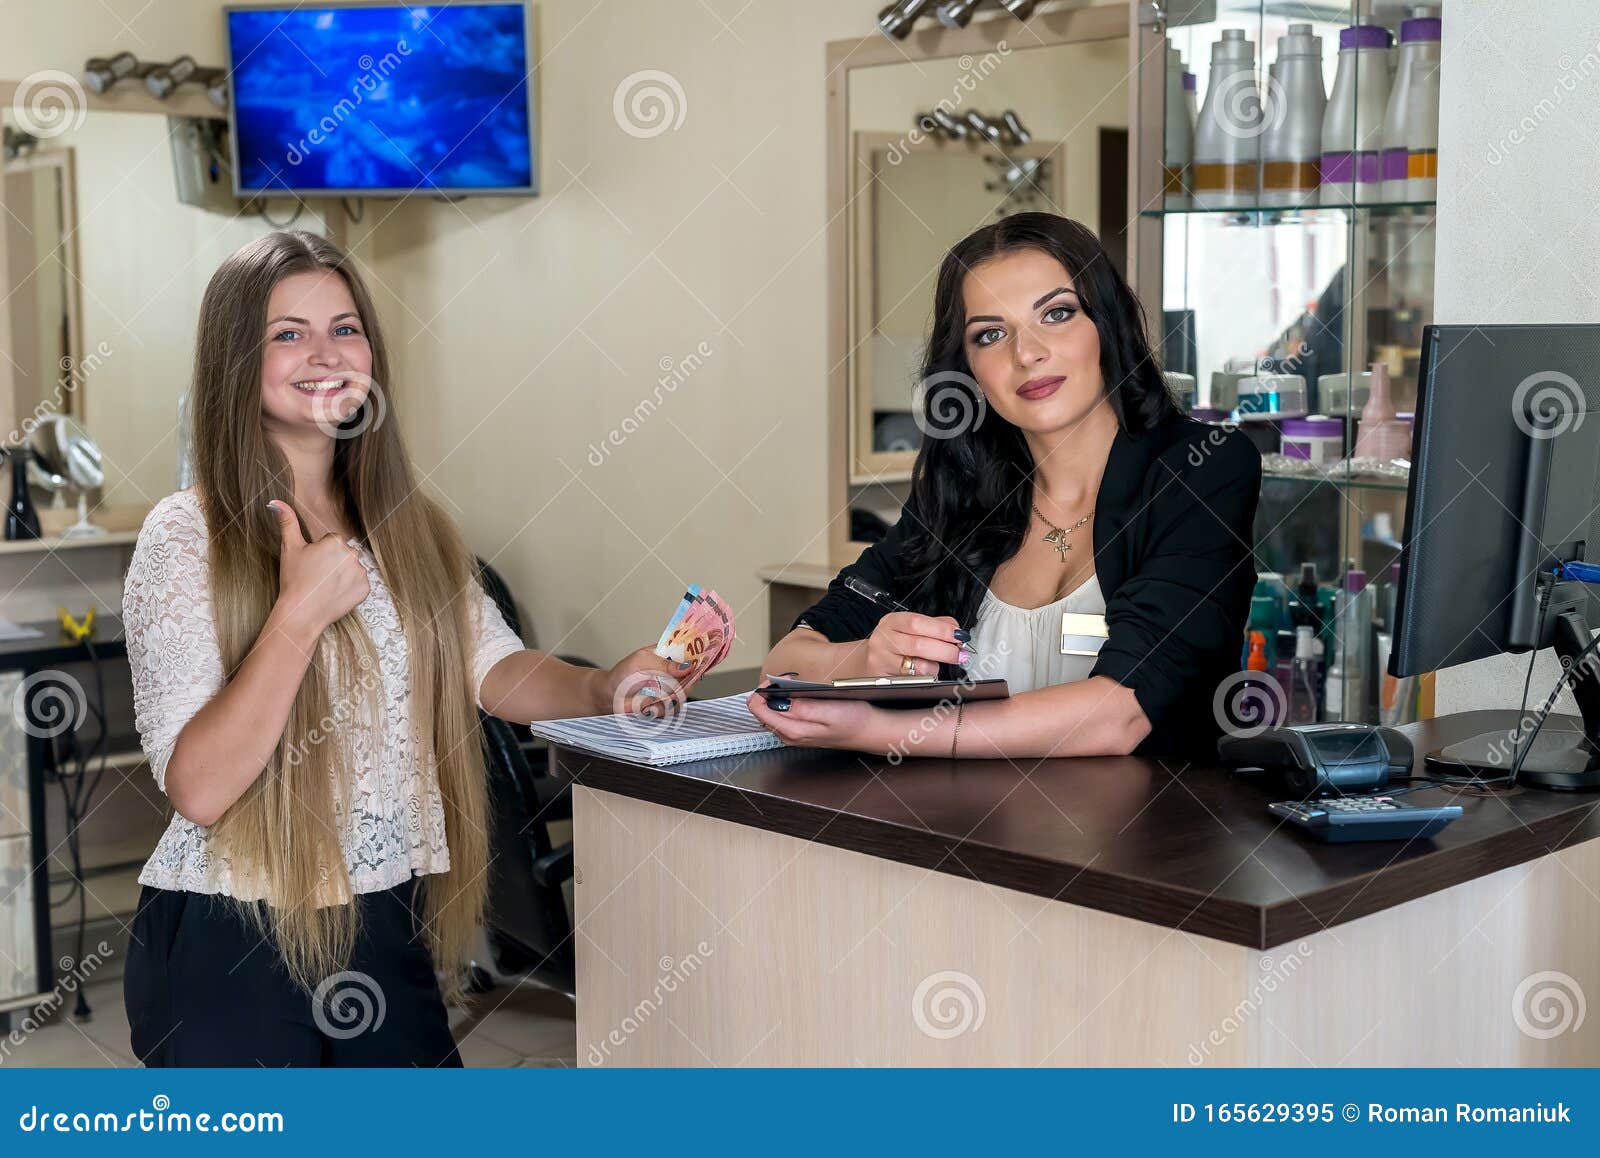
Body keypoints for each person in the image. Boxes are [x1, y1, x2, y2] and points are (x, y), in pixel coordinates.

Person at [121, 230, 686, 1067]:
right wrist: (298, 617)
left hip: (381, 917)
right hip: (231, 931)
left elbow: (491, 667)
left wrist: (602, 685)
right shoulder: (186, 536)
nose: (325, 353)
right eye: (288, 333)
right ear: (235, 359)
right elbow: (199, 787)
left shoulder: (408, 530)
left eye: (345, 328)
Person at [751, 212, 1261, 760]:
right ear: (968, 369)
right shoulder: (959, 495)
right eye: (991, 334)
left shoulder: (1203, 467)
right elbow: (785, 665)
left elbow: (1120, 715)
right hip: (968, 838)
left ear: (1106, 327)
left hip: (1152, 839)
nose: (1026, 353)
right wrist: (865, 659)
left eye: (1057, 314)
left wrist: (878, 732)